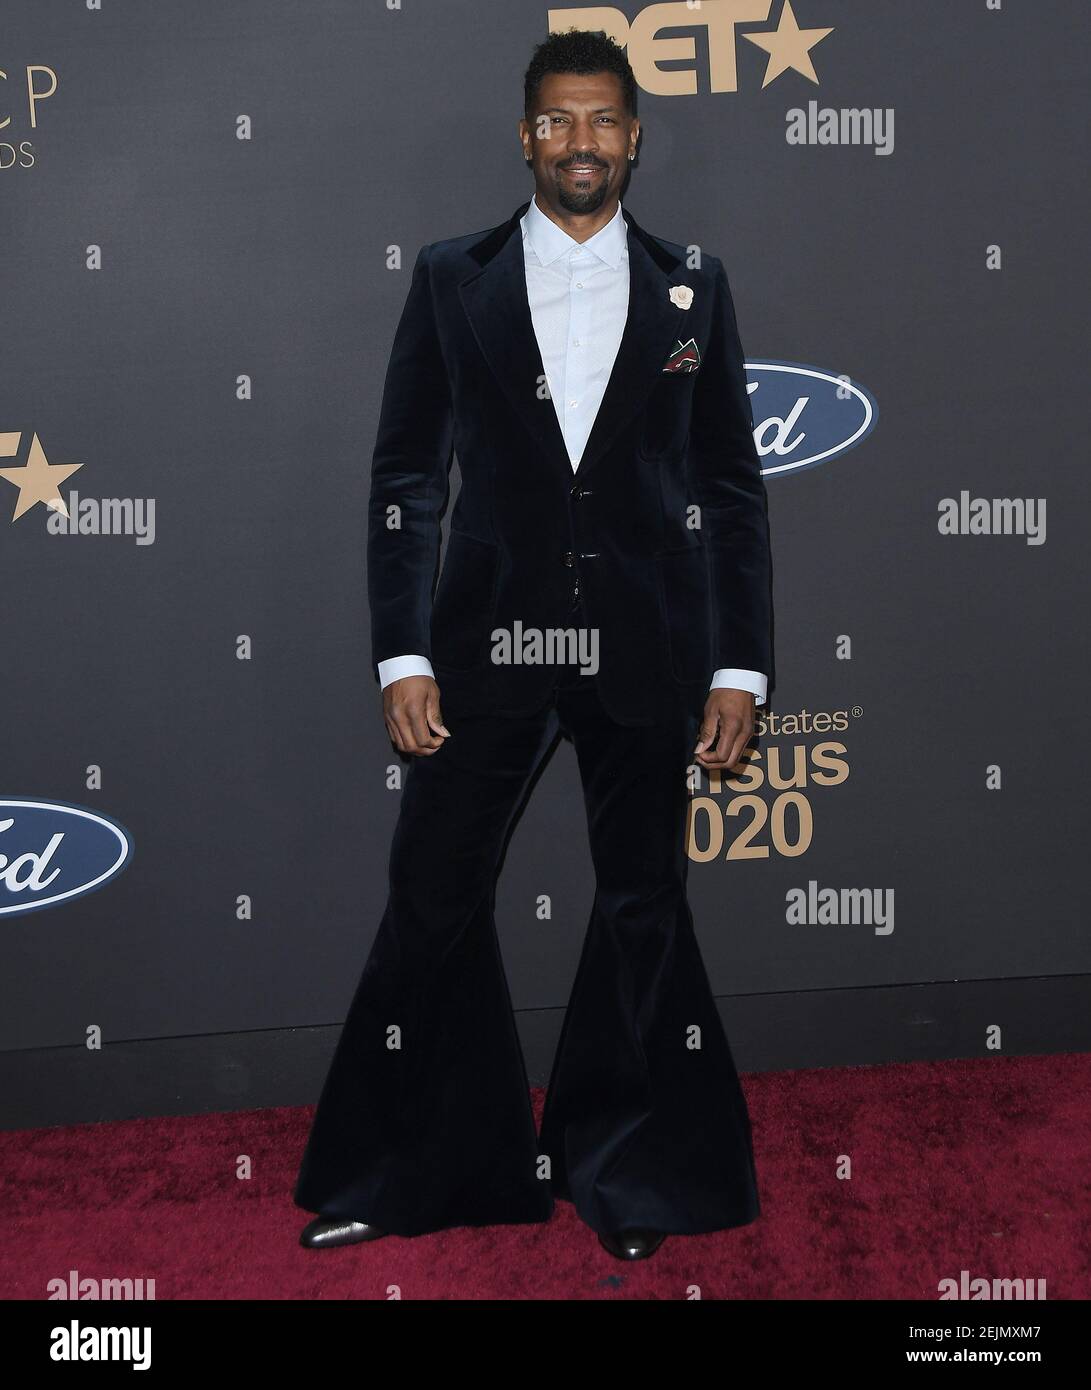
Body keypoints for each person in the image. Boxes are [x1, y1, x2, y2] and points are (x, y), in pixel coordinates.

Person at [294, 27, 774, 1262]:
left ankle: (632, 1174)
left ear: (632, 137)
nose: (579, 141)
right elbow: (407, 477)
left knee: (640, 906)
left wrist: (739, 663)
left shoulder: (693, 287)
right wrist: (401, 653)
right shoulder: (450, 275)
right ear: (525, 136)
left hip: (641, 647)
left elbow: (730, 490)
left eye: (601, 120)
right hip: (483, 647)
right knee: (431, 896)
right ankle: (412, 1170)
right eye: (556, 120)